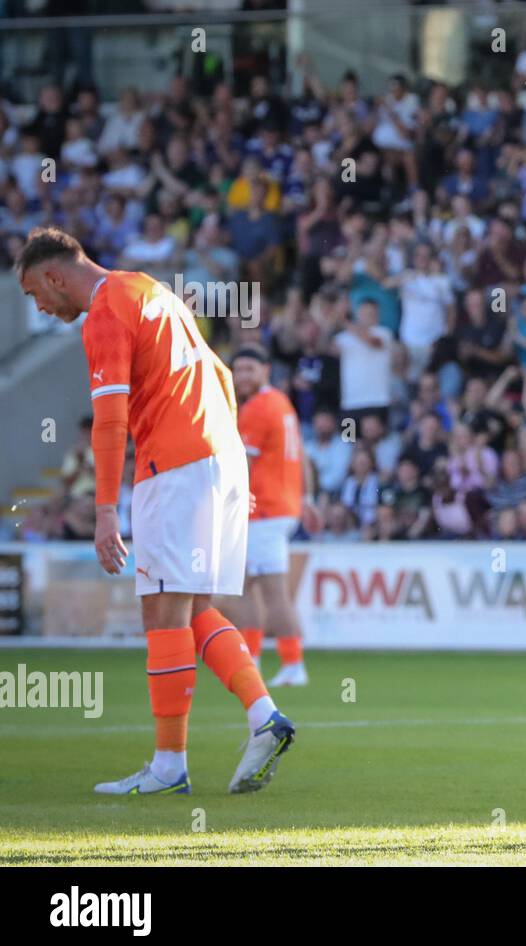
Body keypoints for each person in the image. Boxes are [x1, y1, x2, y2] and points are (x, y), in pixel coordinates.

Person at [16, 227, 294, 796]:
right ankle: (264, 716)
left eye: (33, 295)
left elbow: (111, 419)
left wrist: (103, 511)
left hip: (175, 464)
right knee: (190, 611)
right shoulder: (151, 290)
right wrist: (220, 455)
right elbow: (218, 369)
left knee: (161, 616)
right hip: (220, 455)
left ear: (53, 275)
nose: (40, 307)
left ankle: (169, 767)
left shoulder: (104, 313)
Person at [217, 345, 322, 688]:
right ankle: (256, 660)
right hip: (279, 506)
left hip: (263, 509)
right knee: (247, 585)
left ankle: (293, 664)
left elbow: (242, 465)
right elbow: (301, 455)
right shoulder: (281, 403)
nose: (243, 376)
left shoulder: (258, 409)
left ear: (266, 369)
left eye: (250, 368)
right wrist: (307, 497)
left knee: (272, 590)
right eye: (239, 369)